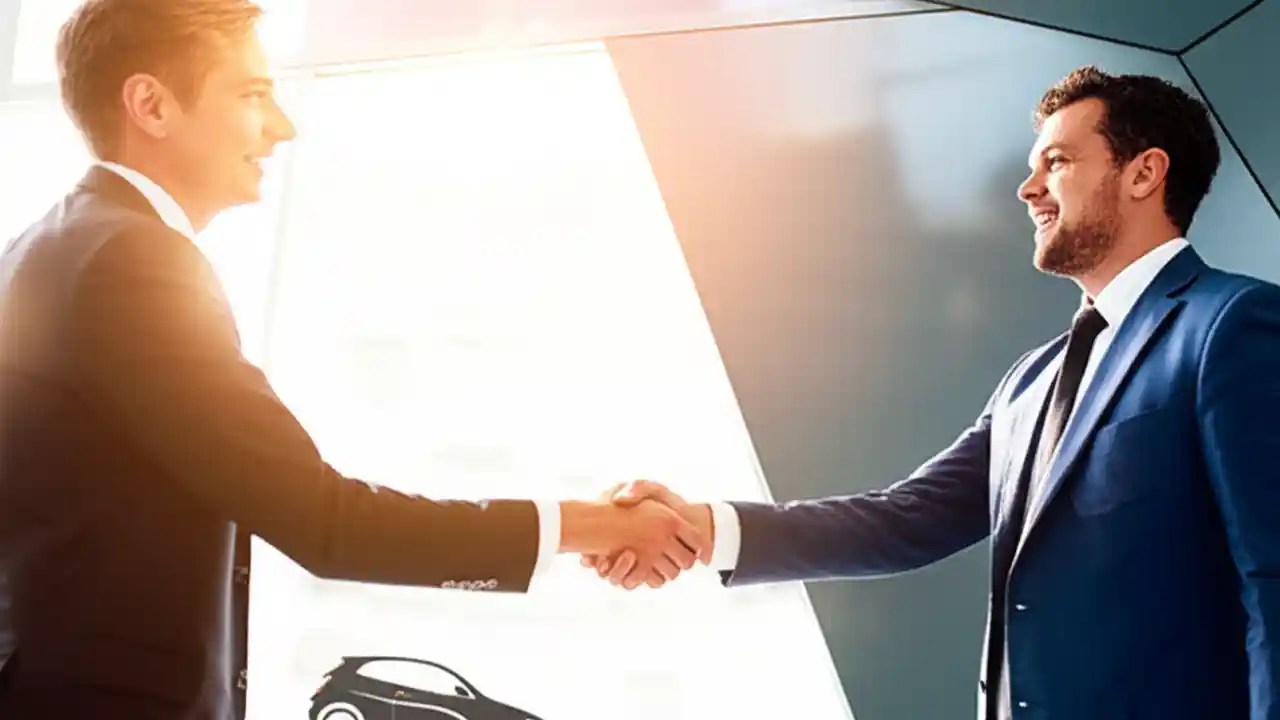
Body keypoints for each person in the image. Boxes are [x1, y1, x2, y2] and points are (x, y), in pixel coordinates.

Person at [0, 1, 703, 717]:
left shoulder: (60, 245)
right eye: (251, 94)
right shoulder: (131, 261)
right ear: (151, 104)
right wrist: (599, 523)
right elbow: (326, 522)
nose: (282, 125)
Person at [590, 66, 1280, 719]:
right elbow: (906, 520)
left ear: (1144, 173)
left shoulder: (1231, 326)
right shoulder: (1030, 382)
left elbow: (1271, 578)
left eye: (1058, 162)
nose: (1027, 187)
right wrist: (704, 528)